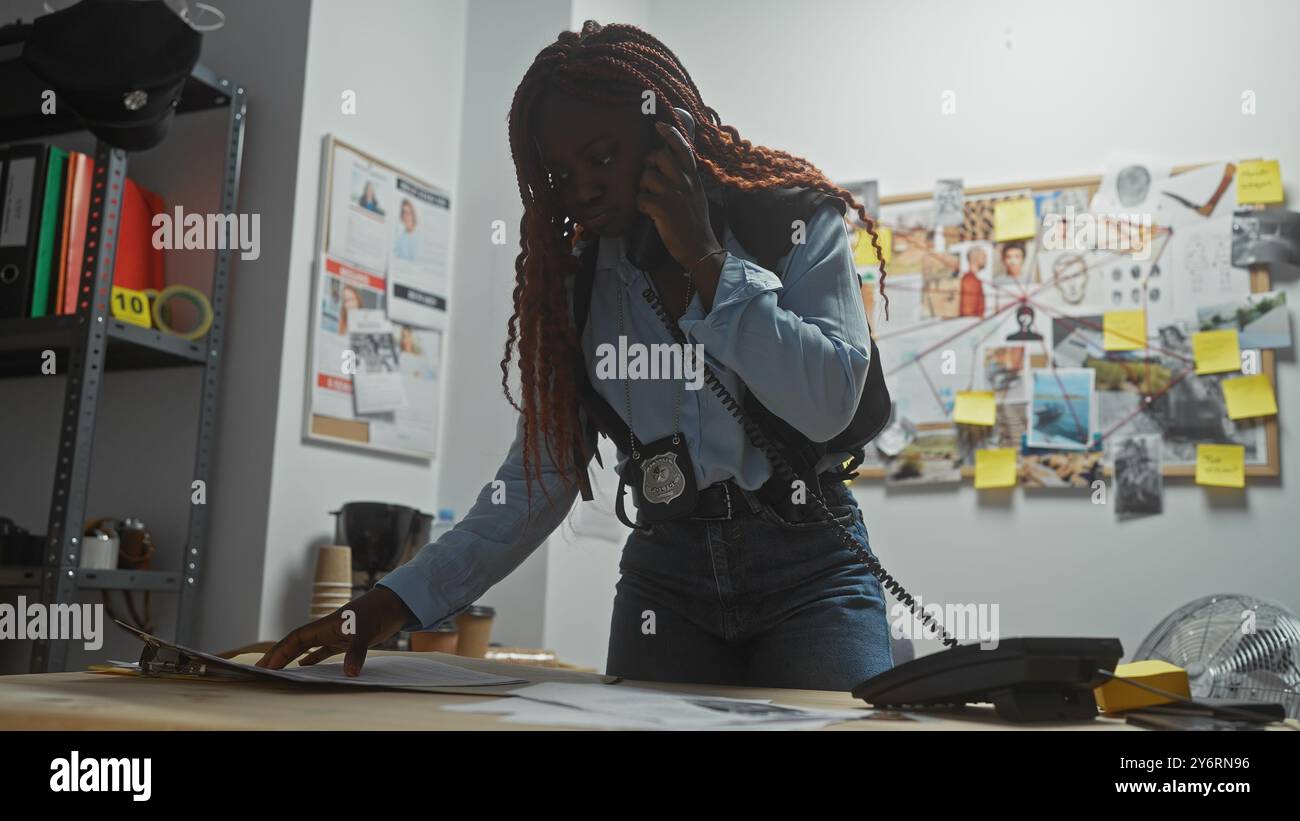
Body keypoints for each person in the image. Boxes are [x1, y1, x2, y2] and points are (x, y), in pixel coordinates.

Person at [259, 20, 895, 691]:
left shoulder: (791, 220)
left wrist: (705, 260)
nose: (583, 189)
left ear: (670, 134)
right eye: (561, 173)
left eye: (602, 156)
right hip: (669, 580)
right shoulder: (576, 285)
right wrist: (392, 601)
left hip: (811, 568)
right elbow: (537, 478)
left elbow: (826, 402)